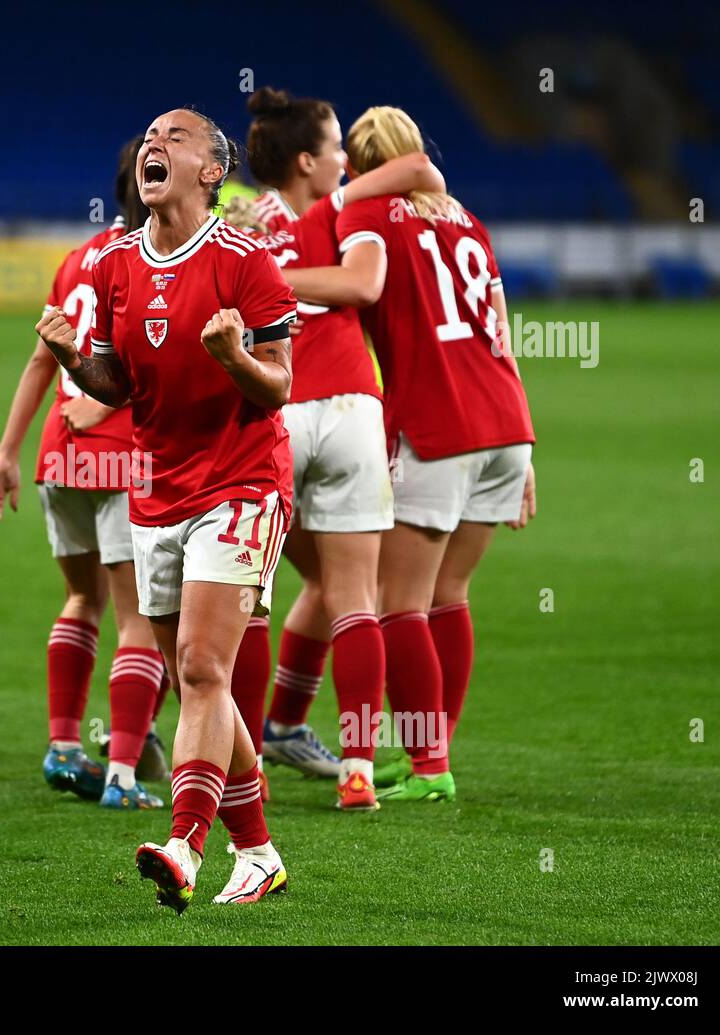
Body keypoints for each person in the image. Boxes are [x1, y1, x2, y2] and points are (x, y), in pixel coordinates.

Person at [38, 108, 296, 911]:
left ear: (212, 172)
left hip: (244, 484)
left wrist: (235, 357)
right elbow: (120, 386)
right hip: (157, 492)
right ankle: (257, 851)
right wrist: (74, 357)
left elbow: (280, 384)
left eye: (176, 138)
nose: (155, 144)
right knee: (200, 685)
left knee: (200, 669)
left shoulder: (246, 259)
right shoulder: (116, 264)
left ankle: (186, 844)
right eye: (150, 137)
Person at [283, 105, 536, 802]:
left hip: (438, 421)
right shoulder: (469, 223)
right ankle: (434, 753)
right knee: (448, 594)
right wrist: (527, 449)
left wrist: (279, 278)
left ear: (362, 168)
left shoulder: (369, 218)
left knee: (399, 603)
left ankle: (428, 764)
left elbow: (360, 286)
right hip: (506, 423)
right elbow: (500, 330)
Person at [244, 86, 446, 809]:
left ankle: (251, 763)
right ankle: (359, 767)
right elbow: (421, 173)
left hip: (271, 412)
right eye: (336, 150)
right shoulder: (343, 214)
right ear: (309, 160)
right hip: (353, 406)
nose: (346, 160)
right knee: (355, 596)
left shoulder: (238, 234)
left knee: (251, 598)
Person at [0, 139, 168, 810]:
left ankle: (63, 747)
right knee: (140, 619)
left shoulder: (78, 257)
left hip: (60, 453)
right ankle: (121, 776)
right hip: (123, 451)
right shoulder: (151, 261)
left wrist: (6, 453)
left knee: (80, 600)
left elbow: (40, 359)